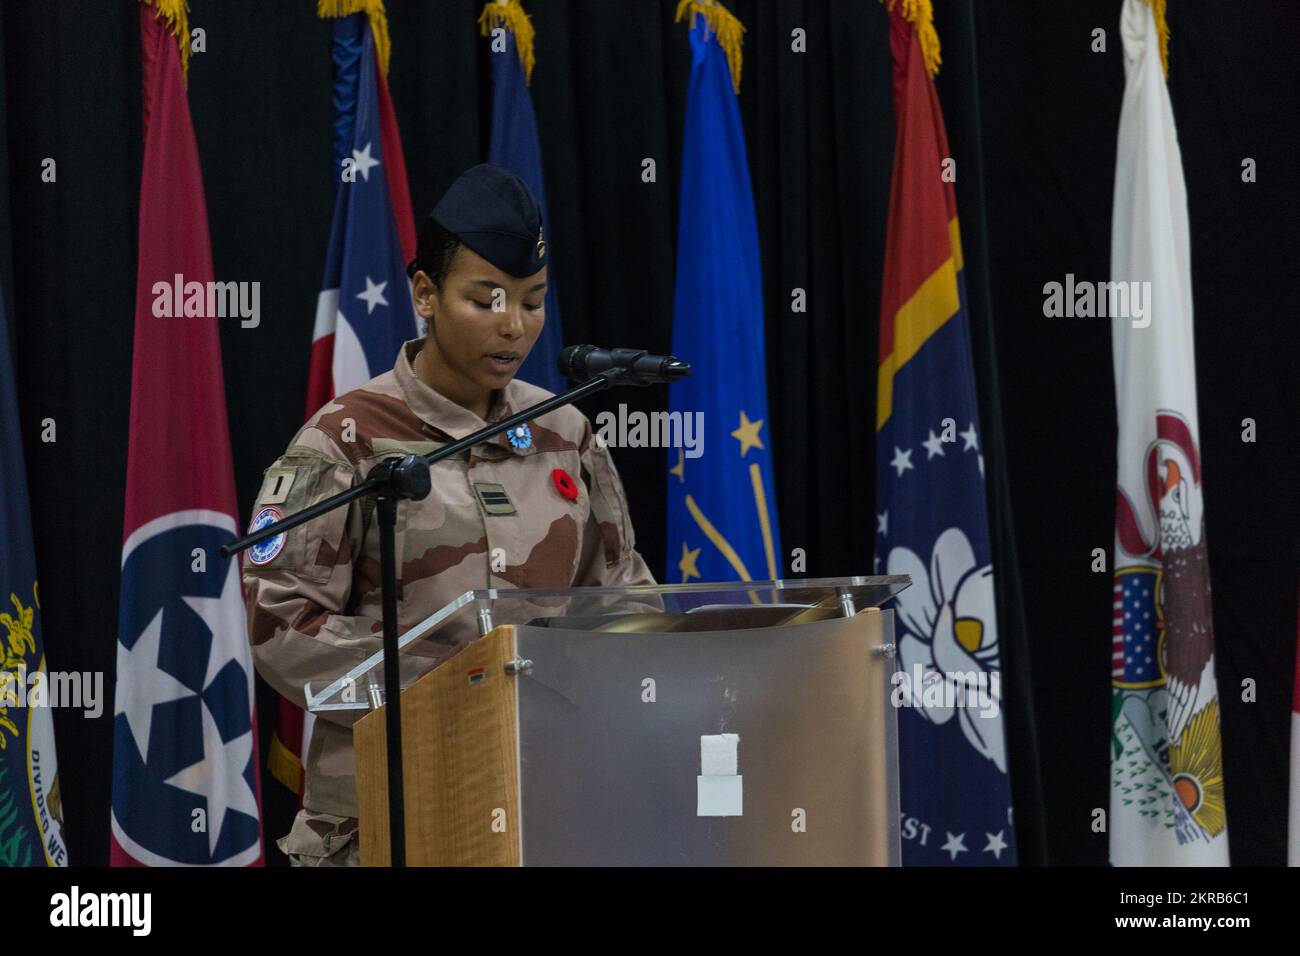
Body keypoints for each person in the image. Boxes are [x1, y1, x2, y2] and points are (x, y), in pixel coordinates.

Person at [242, 164, 657, 866]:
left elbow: (618, 598)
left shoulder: (566, 433)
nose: (513, 325)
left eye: (532, 302)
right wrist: (450, 686)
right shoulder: (347, 436)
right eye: (485, 298)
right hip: (387, 815)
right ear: (426, 294)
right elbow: (281, 620)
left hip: (541, 805)